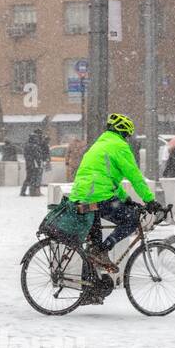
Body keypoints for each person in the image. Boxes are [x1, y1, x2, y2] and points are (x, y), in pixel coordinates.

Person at [68, 114, 163, 270]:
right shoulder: (119, 146)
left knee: (93, 249)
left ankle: (92, 289)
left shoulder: (100, 144)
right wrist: (149, 200)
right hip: (97, 197)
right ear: (122, 132)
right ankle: (103, 250)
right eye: (126, 135)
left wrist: (125, 198)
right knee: (131, 220)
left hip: (81, 198)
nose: (127, 139)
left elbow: (107, 179)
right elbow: (135, 176)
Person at [19, 128, 50, 197]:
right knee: (35, 178)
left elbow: (26, 155)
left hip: (29, 164)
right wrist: (40, 163)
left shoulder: (27, 145)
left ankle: (25, 191)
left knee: (29, 177)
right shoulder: (35, 145)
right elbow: (38, 156)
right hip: (34, 164)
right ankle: (34, 192)